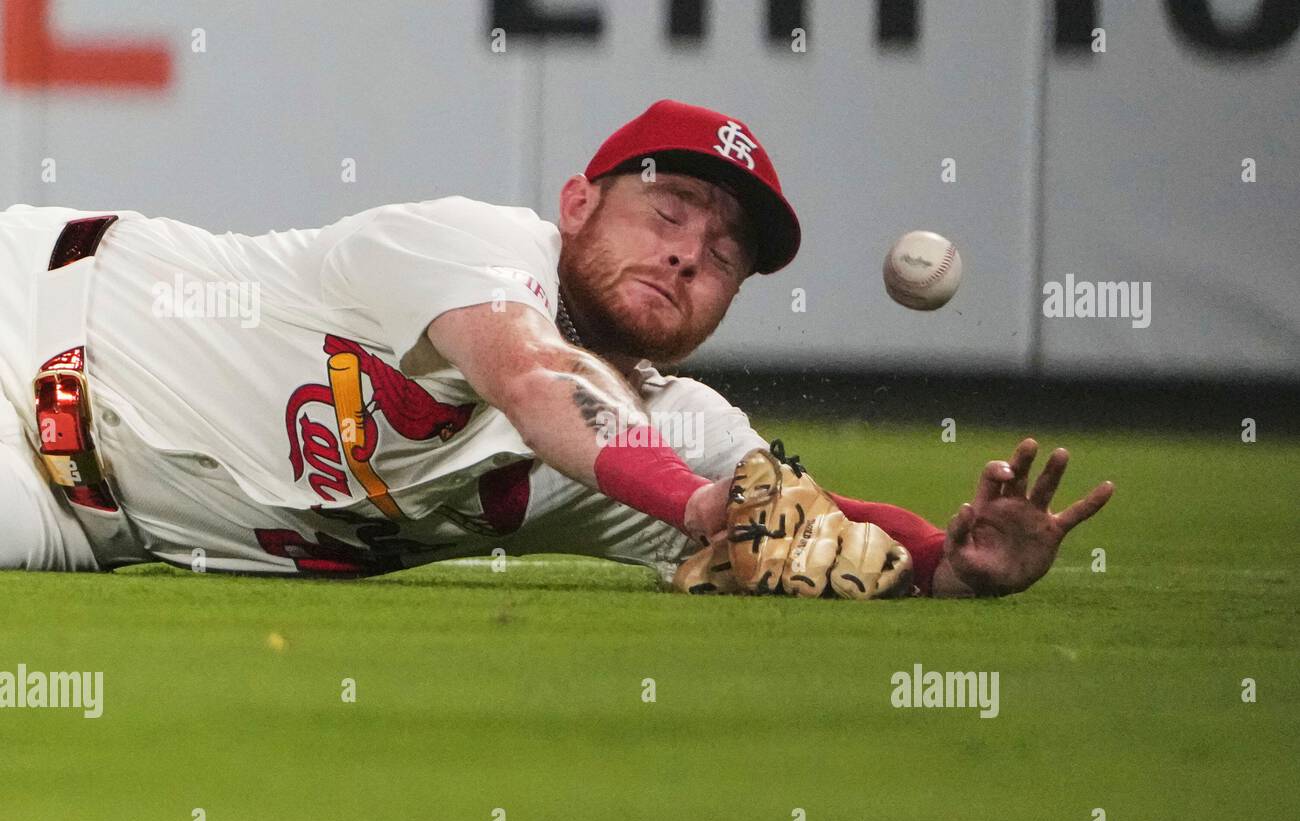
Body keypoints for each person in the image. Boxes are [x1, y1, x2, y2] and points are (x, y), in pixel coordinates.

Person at [0, 99, 1111, 595]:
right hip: (31, 322)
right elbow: (535, 380)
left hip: (74, 522)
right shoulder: (472, 247)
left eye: (724, 252)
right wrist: (694, 508)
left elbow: (810, 526)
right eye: (668, 209)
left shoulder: (678, 428)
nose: (688, 254)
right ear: (578, 202)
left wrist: (949, 560)